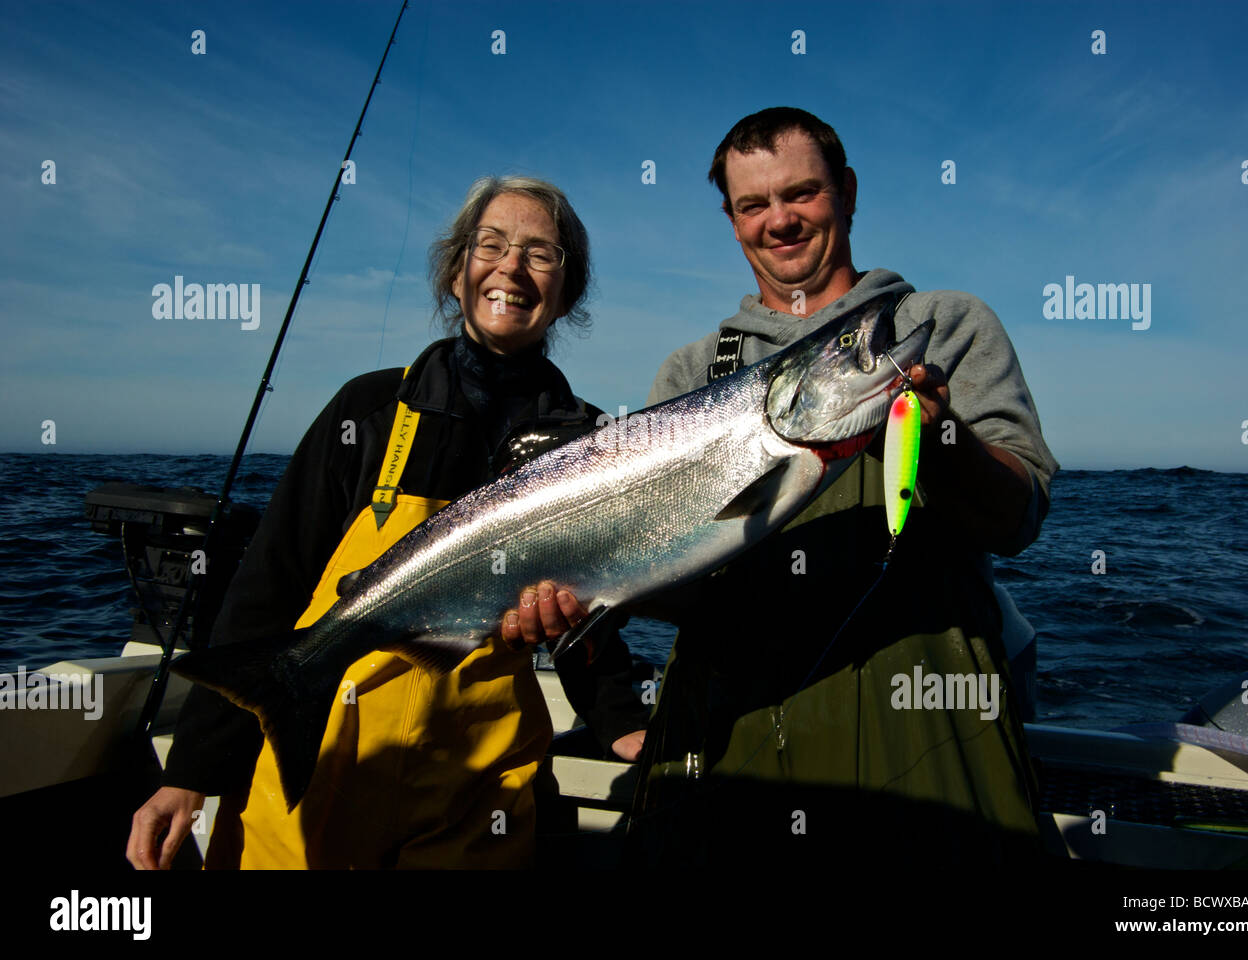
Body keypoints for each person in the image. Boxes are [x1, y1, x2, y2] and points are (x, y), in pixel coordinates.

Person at [128, 176, 648, 870]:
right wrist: (192, 768)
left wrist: (626, 723)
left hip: (477, 794)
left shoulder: (587, 443)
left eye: (541, 254)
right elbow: (269, 583)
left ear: (568, 289)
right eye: (489, 244)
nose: (511, 268)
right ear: (455, 268)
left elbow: (593, 613)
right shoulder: (368, 410)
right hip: (316, 779)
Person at [626, 108, 1060, 866]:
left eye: (802, 194)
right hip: (734, 741)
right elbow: (681, 586)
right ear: (732, 221)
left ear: (848, 192)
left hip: (925, 732)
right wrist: (587, 597)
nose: (780, 221)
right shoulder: (692, 375)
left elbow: (1018, 517)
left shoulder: (943, 324)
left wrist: (942, 439)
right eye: (754, 205)